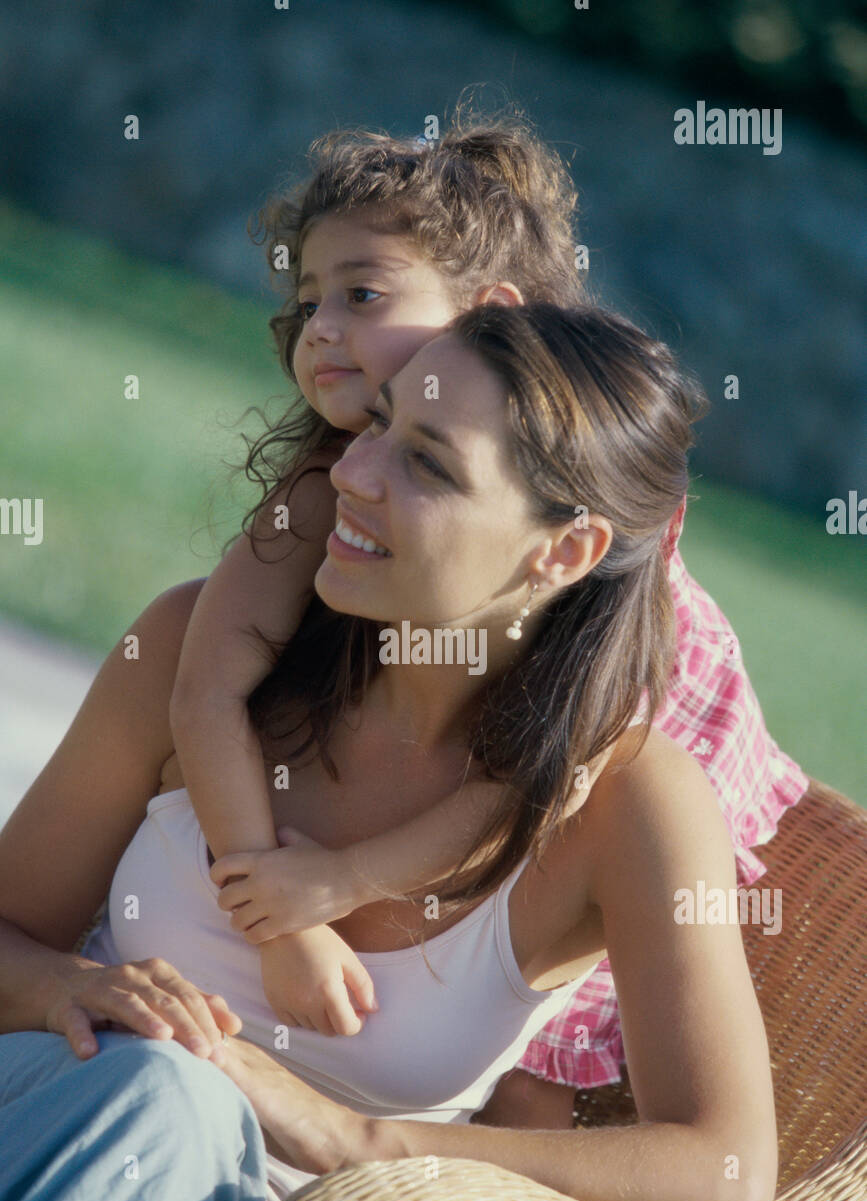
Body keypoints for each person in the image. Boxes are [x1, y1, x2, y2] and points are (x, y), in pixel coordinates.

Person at [0, 301, 778, 1201]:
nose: (353, 476)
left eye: (430, 464)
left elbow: (728, 1179)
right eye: (378, 425)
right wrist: (69, 991)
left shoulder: (627, 805)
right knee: (165, 1097)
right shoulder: (205, 660)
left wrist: (360, 1140)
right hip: (55, 1123)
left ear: (565, 551)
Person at [168, 111, 807, 1128]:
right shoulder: (319, 487)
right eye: (308, 299)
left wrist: (339, 880)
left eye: (362, 294)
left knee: (548, 1030)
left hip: (616, 714)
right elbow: (205, 682)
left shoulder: (569, 505)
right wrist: (279, 911)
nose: (320, 327)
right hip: (527, 762)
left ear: (490, 309)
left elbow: (541, 769)